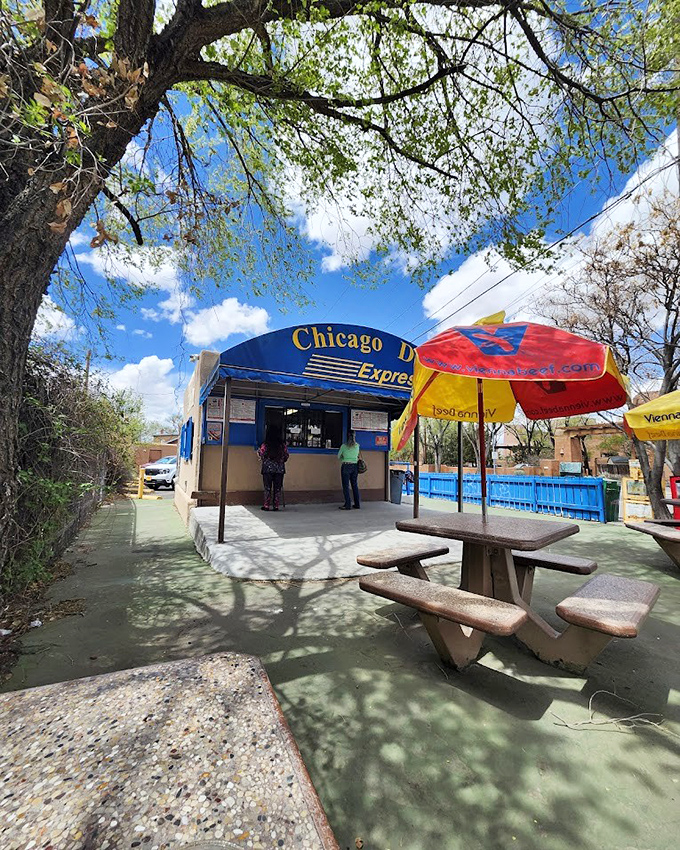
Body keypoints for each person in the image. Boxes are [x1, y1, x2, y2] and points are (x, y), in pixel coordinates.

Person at [257, 427, 289, 511]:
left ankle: (266, 505)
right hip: (279, 469)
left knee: (267, 488)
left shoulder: (265, 445)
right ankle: (276, 506)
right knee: (277, 488)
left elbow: (261, 453)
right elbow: (286, 456)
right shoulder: (282, 445)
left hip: (267, 469)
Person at [337, 430, 361, 510]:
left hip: (346, 466)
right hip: (355, 466)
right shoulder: (357, 446)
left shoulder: (344, 446)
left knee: (346, 486)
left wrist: (344, 459)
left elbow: (339, 456)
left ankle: (348, 504)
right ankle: (357, 504)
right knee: (354, 485)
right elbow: (357, 456)